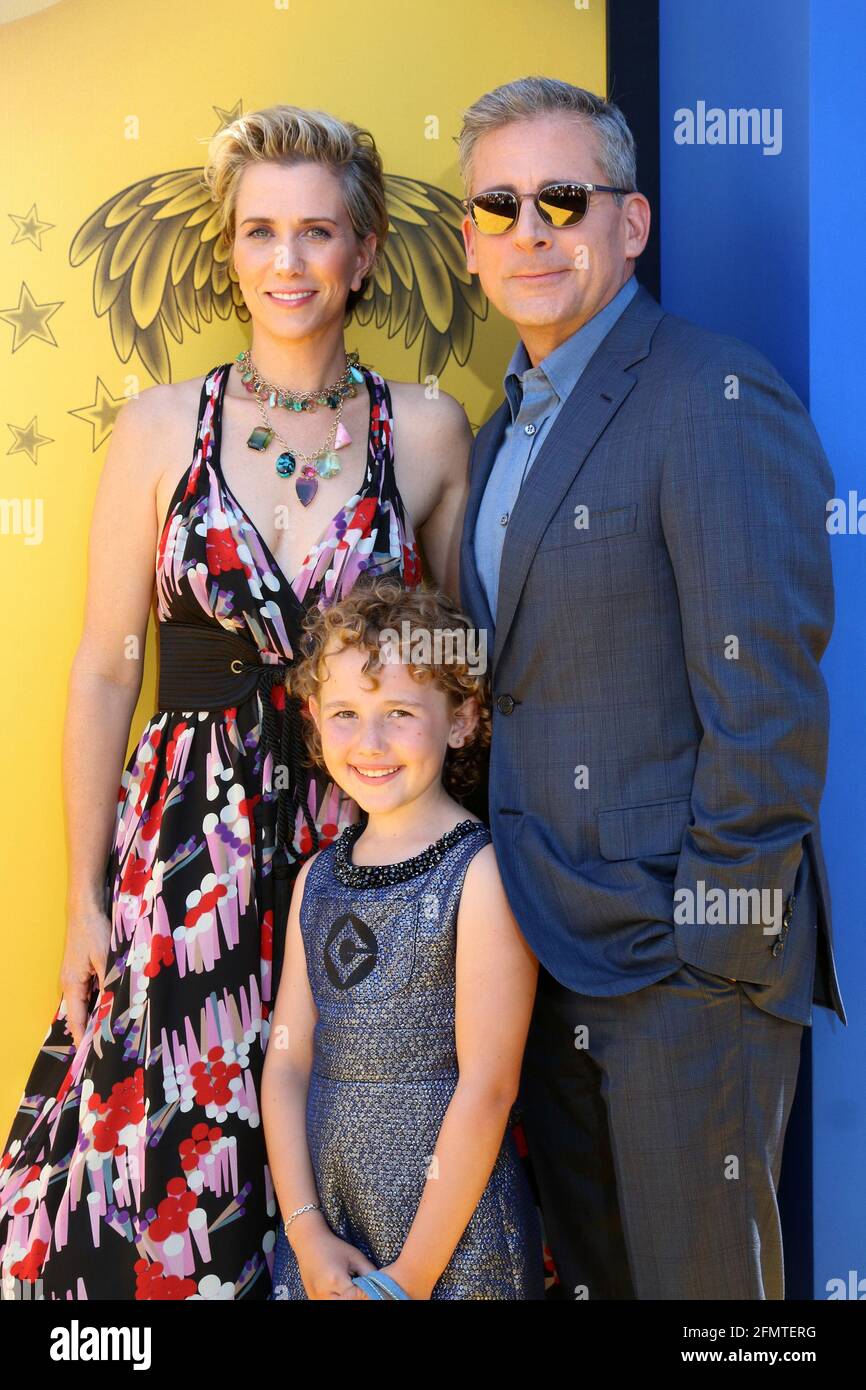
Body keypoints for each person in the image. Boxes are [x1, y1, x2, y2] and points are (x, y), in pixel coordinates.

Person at [0, 104, 472, 1301]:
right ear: (229, 251)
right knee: (178, 1131)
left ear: (361, 252)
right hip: (184, 850)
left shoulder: (423, 432)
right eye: (260, 231)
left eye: (317, 231)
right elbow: (108, 667)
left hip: (356, 835)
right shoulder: (163, 426)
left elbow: (452, 669)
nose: (287, 260)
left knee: (351, 1118)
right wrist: (81, 894)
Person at [456, 76, 846, 1300]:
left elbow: (767, 702)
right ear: (469, 240)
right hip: (543, 946)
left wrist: (706, 947)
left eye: (563, 199)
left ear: (630, 224)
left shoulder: (710, 397)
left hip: (680, 973)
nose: (532, 228)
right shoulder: (495, 430)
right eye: (501, 203)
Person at [262, 577, 544, 1300]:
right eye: (347, 714)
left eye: (399, 713)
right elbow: (288, 1067)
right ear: (316, 726)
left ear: (461, 719)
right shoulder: (316, 880)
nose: (372, 741)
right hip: (332, 1236)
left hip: (448, 1248)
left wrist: (410, 1280)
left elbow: (489, 1086)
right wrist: (306, 1234)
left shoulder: (478, 875)